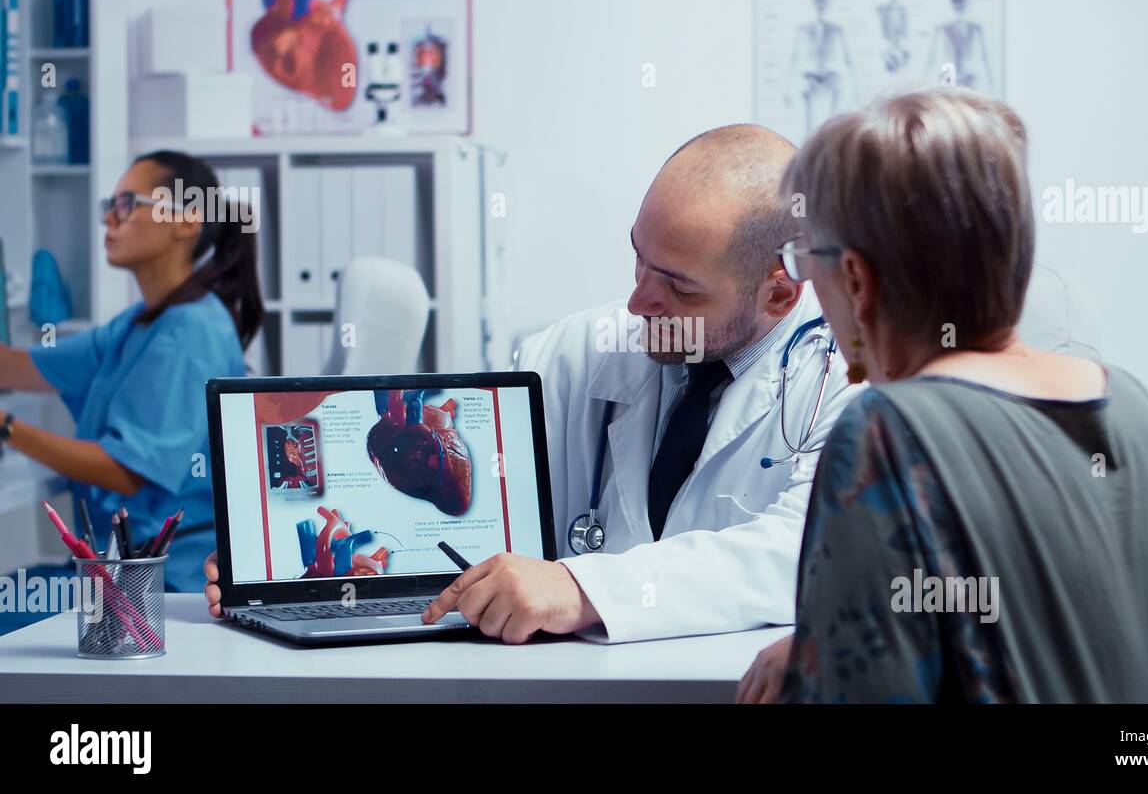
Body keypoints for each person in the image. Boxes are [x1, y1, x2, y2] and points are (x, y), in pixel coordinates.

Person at [202, 123, 858, 643]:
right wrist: (287, 575)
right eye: (639, 259)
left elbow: (798, 552)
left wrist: (581, 588)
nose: (636, 304)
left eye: (678, 286)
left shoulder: (847, 378)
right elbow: (469, 512)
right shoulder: (576, 350)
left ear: (779, 292)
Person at [741, 88, 1148, 703]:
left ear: (856, 279)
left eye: (807, 261)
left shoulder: (886, 431)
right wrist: (824, 641)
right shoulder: (1131, 406)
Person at [0, 150, 262, 592]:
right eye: (110, 207)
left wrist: (8, 428)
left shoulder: (191, 330)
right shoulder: (141, 321)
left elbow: (125, 471)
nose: (109, 221)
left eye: (127, 205)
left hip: (163, 584)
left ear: (186, 221)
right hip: (119, 566)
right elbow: (19, 368)